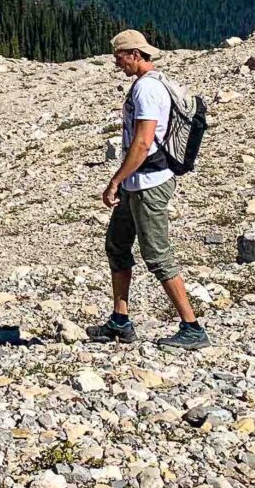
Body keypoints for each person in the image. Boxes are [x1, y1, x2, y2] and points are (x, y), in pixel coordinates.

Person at [88, 29, 211, 351]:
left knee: (157, 256)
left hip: (147, 183)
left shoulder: (145, 89)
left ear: (134, 55)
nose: (118, 65)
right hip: (138, 183)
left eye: (119, 58)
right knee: (117, 245)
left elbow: (143, 142)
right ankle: (120, 320)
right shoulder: (153, 83)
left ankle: (192, 327)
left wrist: (115, 179)